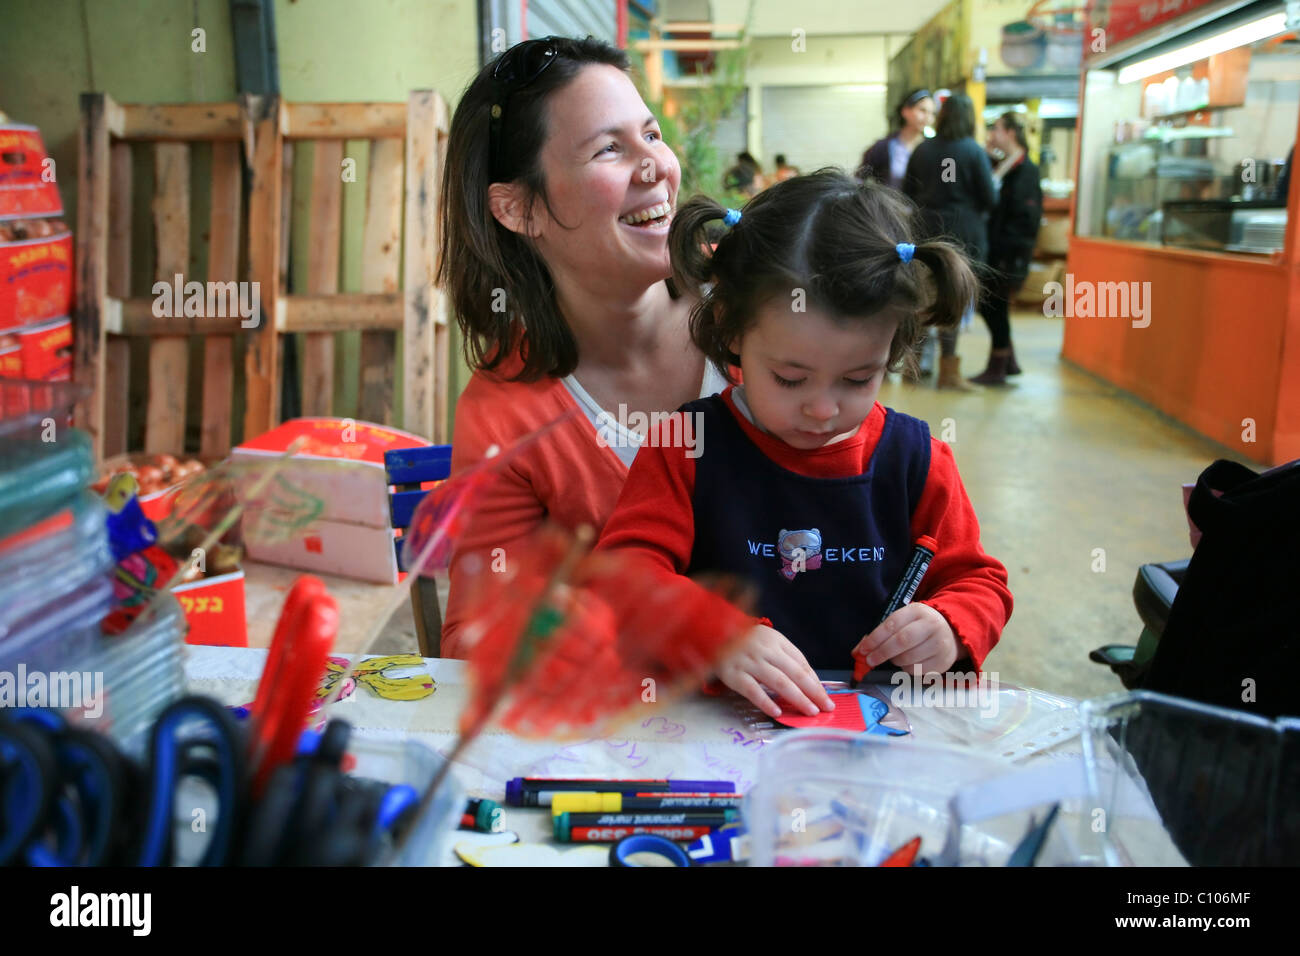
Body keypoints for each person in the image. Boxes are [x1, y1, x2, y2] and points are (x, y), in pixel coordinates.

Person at [597, 170, 1013, 719]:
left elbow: (979, 581)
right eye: (790, 379)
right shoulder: (687, 445)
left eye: (858, 378)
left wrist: (951, 627)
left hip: (874, 737)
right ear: (731, 330)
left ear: (893, 346)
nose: (823, 409)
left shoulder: (915, 461)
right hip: (713, 731)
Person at [437, 36, 748, 664]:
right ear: (519, 209)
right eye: (610, 148)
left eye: (653, 135)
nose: (656, 166)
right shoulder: (506, 410)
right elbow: (473, 642)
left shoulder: (757, 309)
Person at [902, 93, 996, 390]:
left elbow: (906, 192)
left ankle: (912, 368)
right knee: (951, 298)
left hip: (925, 230)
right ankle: (948, 372)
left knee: (922, 297)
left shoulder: (923, 150)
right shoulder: (973, 151)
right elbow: (989, 198)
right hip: (963, 235)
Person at [971, 112, 1042, 385]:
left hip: (1009, 252)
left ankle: (999, 362)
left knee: (993, 304)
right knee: (993, 303)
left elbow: (1026, 216)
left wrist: (1009, 248)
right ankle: (1007, 361)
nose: (991, 134)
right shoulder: (1004, 165)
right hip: (997, 248)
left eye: (996, 129)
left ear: (1011, 132)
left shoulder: (1025, 170)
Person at [857, 89, 935, 191]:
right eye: (922, 110)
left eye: (932, 113)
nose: (928, 117)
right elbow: (858, 179)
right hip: (891, 205)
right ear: (905, 111)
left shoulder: (935, 148)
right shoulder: (884, 147)